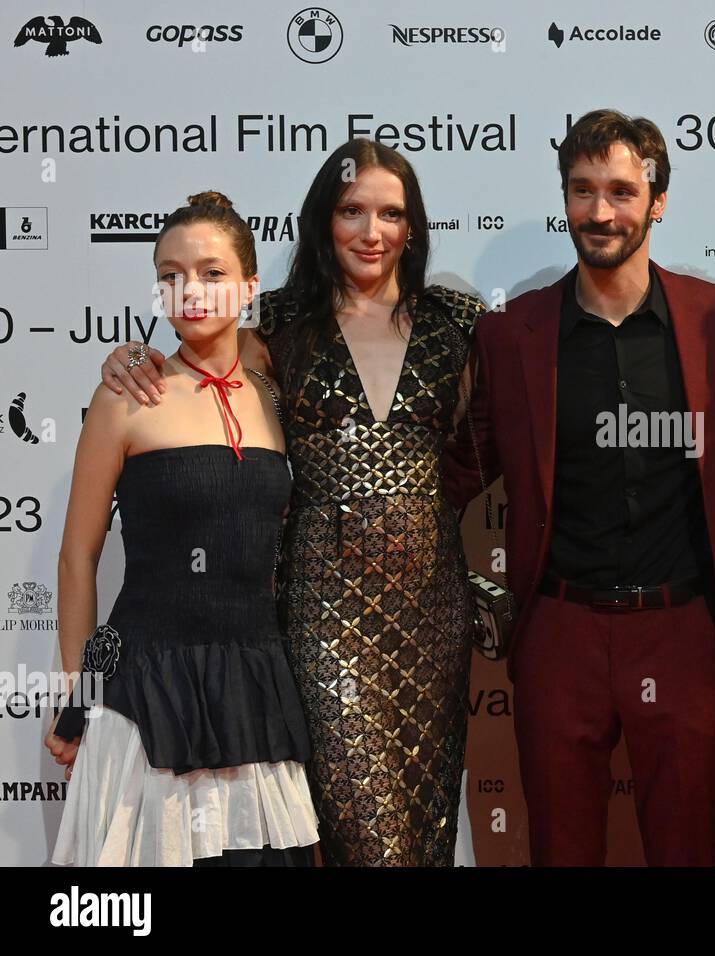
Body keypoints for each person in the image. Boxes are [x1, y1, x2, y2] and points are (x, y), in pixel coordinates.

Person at [99, 140, 482, 866]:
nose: (371, 231)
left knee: (427, 830)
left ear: (413, 226)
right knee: (361, 835)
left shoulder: (454, 324)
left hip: (432, 612)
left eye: (391, 213)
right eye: (351, 211)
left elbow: (488, 447)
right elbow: (194, 368)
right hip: (324, 615)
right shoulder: (275, 326)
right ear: (322, 220)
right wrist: (125, 358)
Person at [440, 109, 715, 866]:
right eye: (582, 191)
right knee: (561, 850)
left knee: (684, 850)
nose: (601, 211)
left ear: (659, 200)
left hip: (678, 627)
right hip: (558, 630)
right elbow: (458, 472)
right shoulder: (510, 334)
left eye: (621, 189)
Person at [47, 191, 319, 866]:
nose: (188, 291)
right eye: (170, 275)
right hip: (145, 688)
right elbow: (78, 558)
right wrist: (77, 700)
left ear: (250, 288)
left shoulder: (277, 398)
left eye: (211, 273)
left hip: (254, 687)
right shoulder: (126, 396)